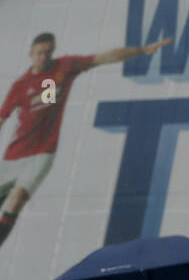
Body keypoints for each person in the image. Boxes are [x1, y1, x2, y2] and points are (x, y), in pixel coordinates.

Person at [0, 32, 172, 249]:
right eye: (40, 53)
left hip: (41, 153)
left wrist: (142, 50)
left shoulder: (64, 67)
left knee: (16, 200)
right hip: (13, 156)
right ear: (31, 54)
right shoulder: (20, 85)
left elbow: (103, 58)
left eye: (48, 52)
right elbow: (2, 118)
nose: (44, 57)